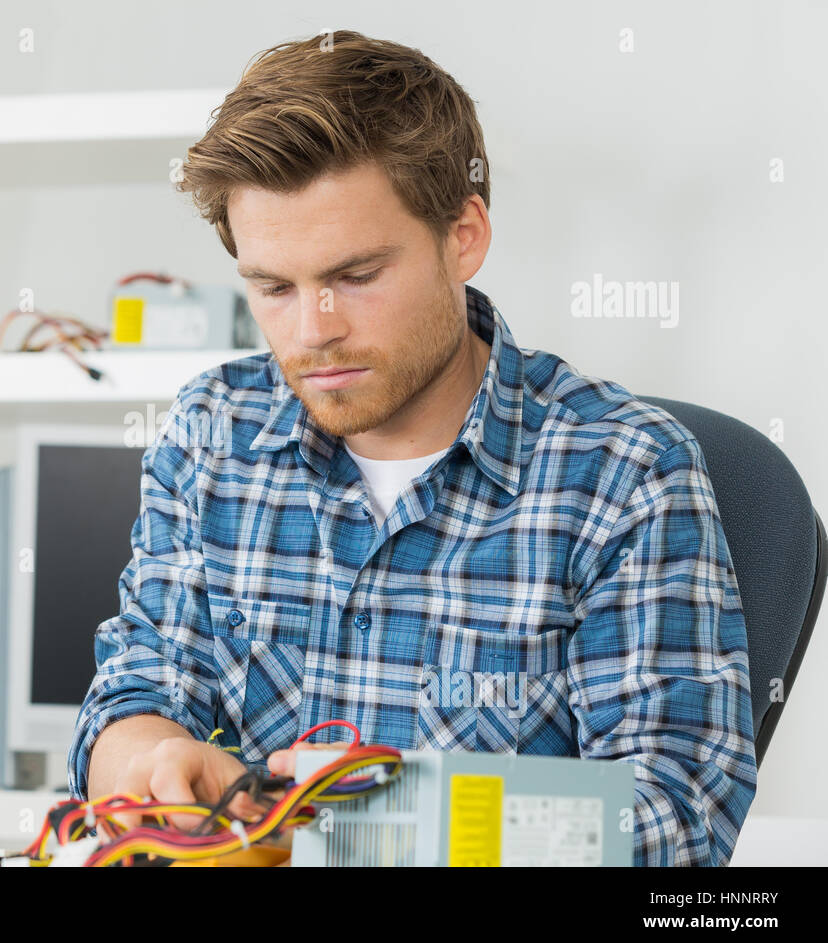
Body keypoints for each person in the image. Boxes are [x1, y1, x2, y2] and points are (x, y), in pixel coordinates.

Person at [67, 29, 757, 866]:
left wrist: (382, 823)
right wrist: (149, 764)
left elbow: (680, 817)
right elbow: (135, 695)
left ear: (463, 235)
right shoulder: (212, 431)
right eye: (274, 288)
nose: (315, 332)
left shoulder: (624, 471)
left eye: (356, 276)